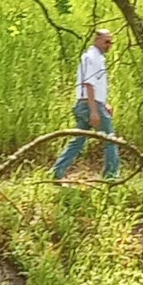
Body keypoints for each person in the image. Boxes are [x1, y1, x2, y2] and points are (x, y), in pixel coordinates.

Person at [52, 27, 120, 183]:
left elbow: (96, 85)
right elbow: (88, 84)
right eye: (106, 42)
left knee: (79, 140)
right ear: (97, 40)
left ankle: (57, 172)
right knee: (110, 139)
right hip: (90, 104)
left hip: (92, 103)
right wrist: (95, 111)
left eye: (111, 42)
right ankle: (112, 176)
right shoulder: (91, 57)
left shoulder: (99, 58)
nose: (109, 45)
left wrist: (104, 103)